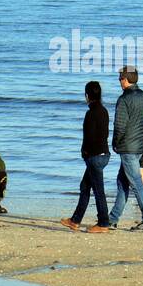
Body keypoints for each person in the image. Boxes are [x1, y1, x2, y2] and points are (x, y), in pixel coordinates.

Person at [107, 66, 143, 231]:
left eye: (120, 78)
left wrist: (115, 142)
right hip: (138, 146)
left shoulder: (124, 99)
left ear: (125, 79)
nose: (119, 81)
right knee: (122, 182)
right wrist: (138, 133)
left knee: (136, 183)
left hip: (127, 147)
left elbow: (119, 125)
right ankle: (112, 219)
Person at [60, 81, 110, 233]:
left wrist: (85, 152)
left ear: (87, 96)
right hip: (104, 154)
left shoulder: (91, 113)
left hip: (95, 156)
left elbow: (89, 137)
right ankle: (75, 220)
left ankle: (103, 223)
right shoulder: (104, 111)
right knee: (85, 186)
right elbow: (104, 134)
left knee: (98, 190)